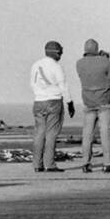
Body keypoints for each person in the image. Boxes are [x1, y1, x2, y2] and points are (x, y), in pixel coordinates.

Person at [75, 38, 110, 172]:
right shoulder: (105, 62)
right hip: (104, 102)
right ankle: (108, 164)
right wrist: (105, 60)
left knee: (87, 134)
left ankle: (86, 163)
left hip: (88, 102)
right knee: (106, 133)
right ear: (97, 49)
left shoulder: (79, 63)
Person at [29, 40, 73, 172]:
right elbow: (63, 86)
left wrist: (40, 94)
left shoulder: (35, 65)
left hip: (38, 102)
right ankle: (50, 164)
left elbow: (32, 83)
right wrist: (69, 102)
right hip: (54, 101)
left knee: (39, 134)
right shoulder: (56, 66)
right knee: (51, 134)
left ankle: (37, 164)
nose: (61, 55)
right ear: (56, 53)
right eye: (60, 52)